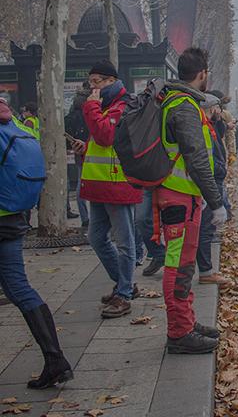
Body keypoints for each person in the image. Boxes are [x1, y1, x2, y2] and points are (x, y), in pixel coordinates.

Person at [0, 96, 74, 389]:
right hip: (14, 218)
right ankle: (55, 360)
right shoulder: (16, 123)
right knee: (19, 288)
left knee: (17, 287)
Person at [157, 47, 226, 354]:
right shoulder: (184, 106)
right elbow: (197, 158)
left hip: (183, 195)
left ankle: (186, 321)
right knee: (178, 266)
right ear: (202, 74)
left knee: (184, 264)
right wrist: (216, 201)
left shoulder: (179, 101)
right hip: (179, 197)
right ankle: (179, 332)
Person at [74, 59, 143, 318]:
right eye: (90, 82)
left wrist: (91, 106)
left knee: (124, 242)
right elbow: (102, 143)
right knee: (96, 237)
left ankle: (124, 293)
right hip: (100, 184)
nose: (92, 87)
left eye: (97, 82)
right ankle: (125, 284)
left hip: (117, 184)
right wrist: (85, 147)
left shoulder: (123, 105)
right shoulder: (105, 105)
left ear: (111, 81)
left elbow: (106, 136)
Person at [197, 93, 228, 286]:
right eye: (217, 108)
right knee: (205, 228)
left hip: (212, 179)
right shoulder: (204, 127)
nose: (220, 111)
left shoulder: (210, 125)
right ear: (211, 108)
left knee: (205, 227)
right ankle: (206, 271)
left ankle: (205, 269)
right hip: (209, 181)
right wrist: (220, 168)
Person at [64, 86, 90, 231]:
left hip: (79, 155)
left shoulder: (71, 116)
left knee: (81, 186)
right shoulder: (91, 114)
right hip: (95, 155)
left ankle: (85, 218)